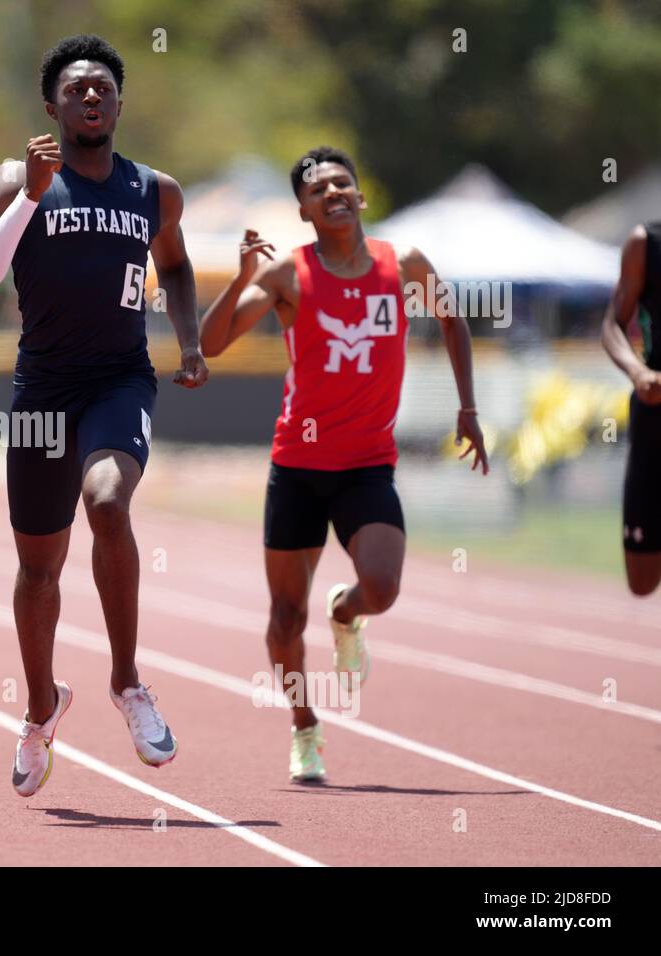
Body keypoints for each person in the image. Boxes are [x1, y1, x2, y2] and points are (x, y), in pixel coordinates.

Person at [0, 34, 208, 797]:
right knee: (38, 567)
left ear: (120, 102)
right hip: (42, 391)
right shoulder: (14, 180)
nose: (90, 96)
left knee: (107, 499)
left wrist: (190, 343)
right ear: (51, 105)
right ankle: (40, 709)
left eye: (102, 87)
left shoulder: (154, 190)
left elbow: (177, 265)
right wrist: (31, 194)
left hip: (118, 381)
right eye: (75, 88)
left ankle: (128, 683)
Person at [199, 146, 488, 781]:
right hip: (298, 467)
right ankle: (305, 728)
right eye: (318, 188)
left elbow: (454, 323)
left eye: (343, 183)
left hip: (366, 465)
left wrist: (467, 409)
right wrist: (241, 273)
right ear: (303, 210)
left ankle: (347, 611)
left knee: (381, 588)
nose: (333, 192)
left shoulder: (403, 263)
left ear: (359, 196)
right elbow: (212, 343)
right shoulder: (288, 276)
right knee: (282, 621)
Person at [600, 223, 661, 596]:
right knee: (641, 580)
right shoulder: (645, 245)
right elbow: (612, 324)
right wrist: (638, 372)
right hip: (654, 412)